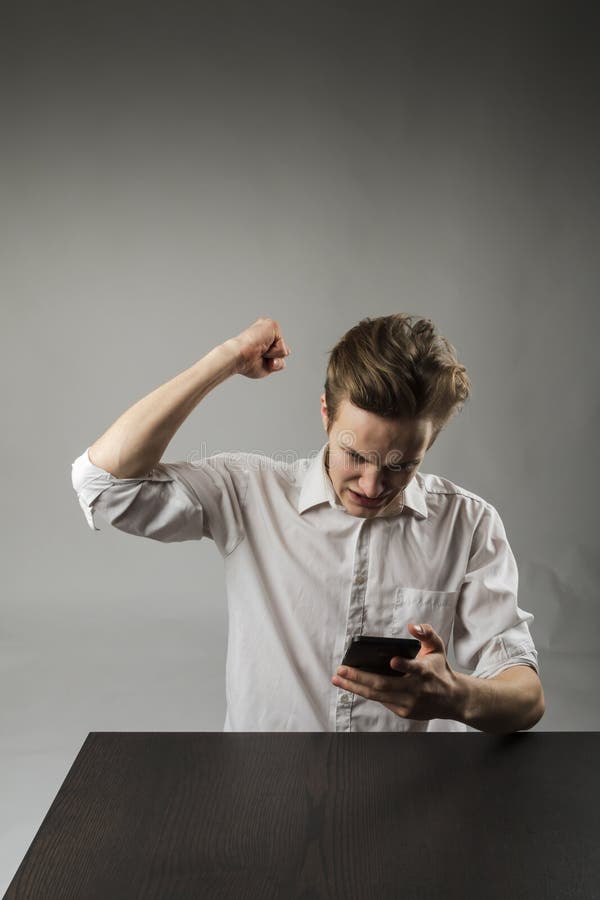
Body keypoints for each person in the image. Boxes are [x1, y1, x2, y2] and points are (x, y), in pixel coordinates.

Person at [71, 314, 545, 733]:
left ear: (431, 442)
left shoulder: (469, 523)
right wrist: (227, 358)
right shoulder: (248, 491)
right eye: (355, 455)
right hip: (264, 794)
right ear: (325, 412)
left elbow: (526, 697)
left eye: (402, 464)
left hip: (416, 801)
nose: (374, 484)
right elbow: (104, 483)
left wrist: (456, 697)